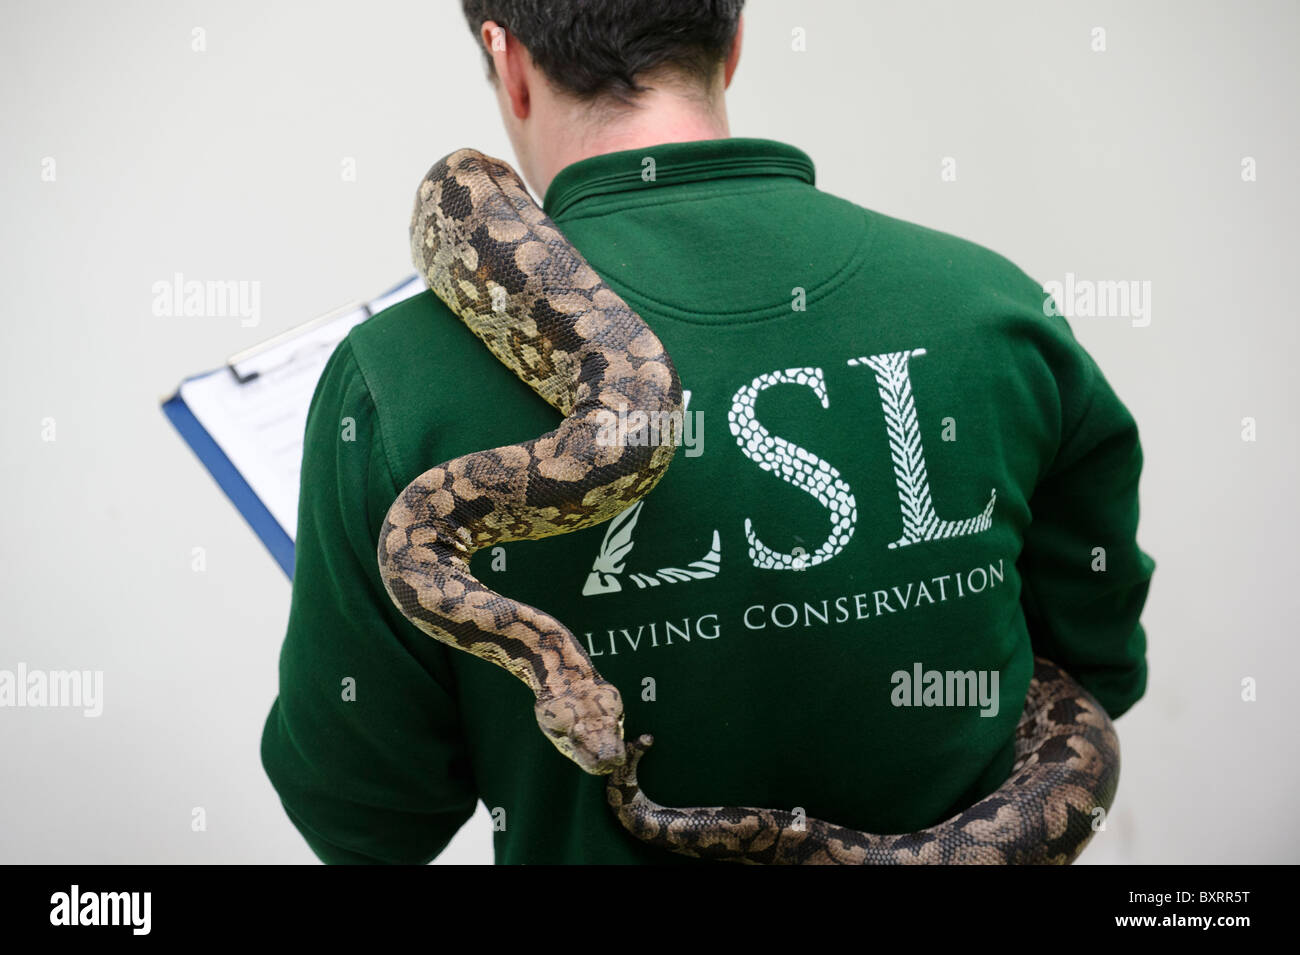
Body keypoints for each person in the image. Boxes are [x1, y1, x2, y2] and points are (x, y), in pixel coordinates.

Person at [260, 0, 1155, 864]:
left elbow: (366, 823)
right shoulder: (994, 304)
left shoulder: (387, 382)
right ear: (732, 42)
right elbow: (1097, 663)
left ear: (509, 62)